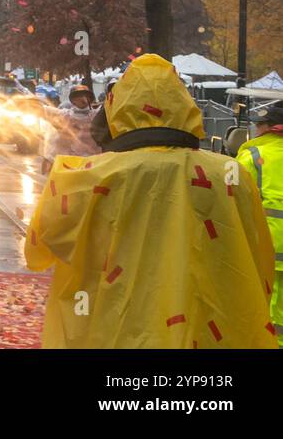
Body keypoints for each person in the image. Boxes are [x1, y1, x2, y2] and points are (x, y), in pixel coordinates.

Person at [25, 54, 277, 348]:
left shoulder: (82, 179)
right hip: (204, 336)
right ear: (185, 105)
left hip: (109, 331)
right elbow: (259, 258)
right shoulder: (231, 176)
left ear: (116, 108)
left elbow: (37, 252)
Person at [236, 101, 283, 347]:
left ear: (268, 128)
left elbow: (232, 197)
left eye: (258, 124)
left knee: (267, 311)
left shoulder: (253, 155)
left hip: (269, 248)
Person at [41, 84, 98, 174]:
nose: (82, 98)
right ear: (73, 100)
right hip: (68, 166)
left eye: (85, 95)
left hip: (92, 165)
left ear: (90, 98)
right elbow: (44, 110)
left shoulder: (97, 115)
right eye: (78, 96)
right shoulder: (65, 115)